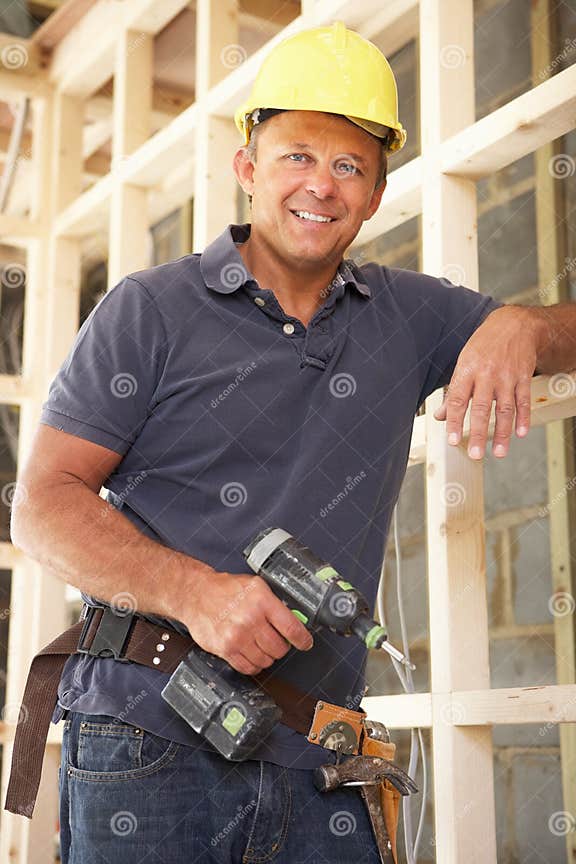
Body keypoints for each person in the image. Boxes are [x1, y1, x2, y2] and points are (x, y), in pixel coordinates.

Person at [6, 21, 576, 864]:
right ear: (247, 168)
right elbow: (41, 505)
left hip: (321, 762)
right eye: (297, 157)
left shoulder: (409, 316)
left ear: (376, 193)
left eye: (350, 166)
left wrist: (520, 326)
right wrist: (197, 593)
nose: (323, 185)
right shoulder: (150, 310)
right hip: (146, 743)